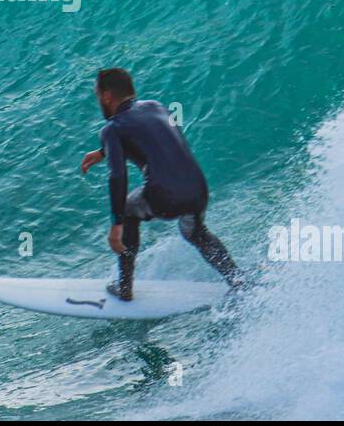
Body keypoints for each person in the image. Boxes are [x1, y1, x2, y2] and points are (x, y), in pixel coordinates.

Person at [80, 68, 243, 300]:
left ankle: (124, 287)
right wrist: (104, 151)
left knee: (128, 210)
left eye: (98, 95)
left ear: (107, 96)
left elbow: (118, 176)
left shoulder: (112, 129)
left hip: (166, 196)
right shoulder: (156, 107)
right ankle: (237, 280)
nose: (98, 101)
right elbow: (155, 139)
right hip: (198, 190)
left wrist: (116, 225)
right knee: (195, 233)